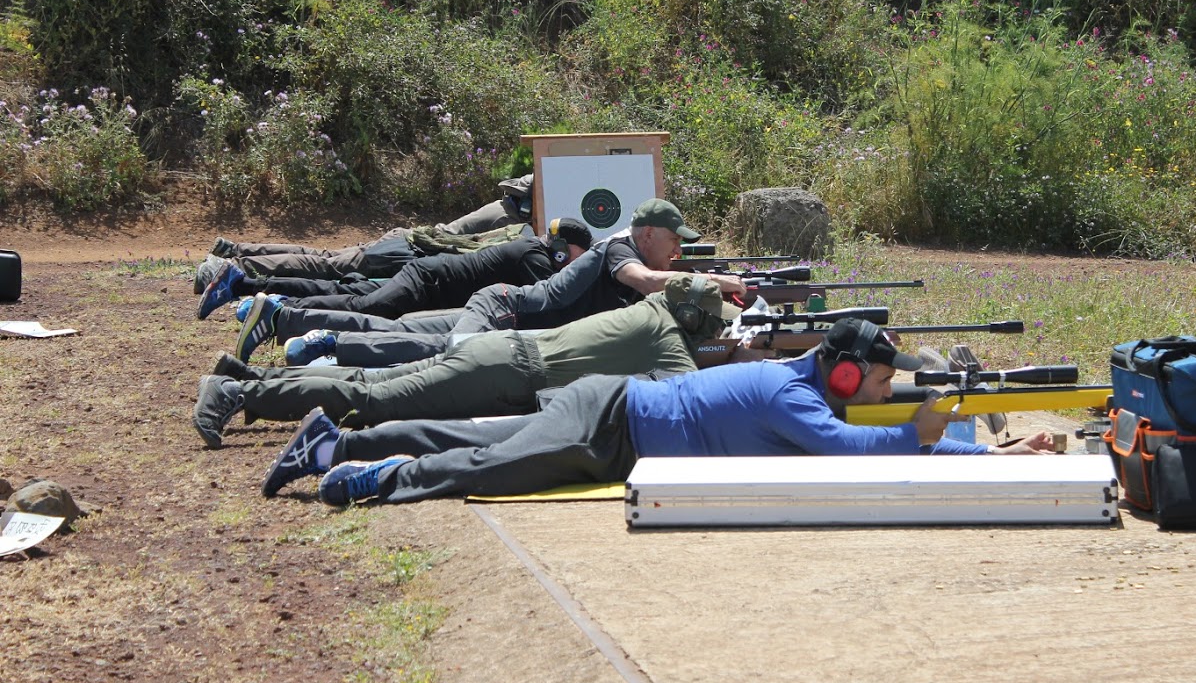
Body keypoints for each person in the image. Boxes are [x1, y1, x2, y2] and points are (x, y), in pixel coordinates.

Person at [253, 317, 1055, 503]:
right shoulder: (789, 393)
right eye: (879, 381)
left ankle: (334, 442)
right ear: (844, 372)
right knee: (493, 465)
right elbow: (855, 455)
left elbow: (868, 443)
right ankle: (374, 477)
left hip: (612, 411)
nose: (884, 392)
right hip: (613, 426)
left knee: (468, 435)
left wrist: (987, 454)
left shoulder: (804, 388)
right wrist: (922, 436)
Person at [194, 275, 740, 450]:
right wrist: (739, 359)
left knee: (366, 379)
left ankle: (250, 377)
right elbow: (691, 398)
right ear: (693, 319)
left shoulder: (652, 309)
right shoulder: (669, 338)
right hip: (502, 372)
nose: (712, 334)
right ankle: (237, 395)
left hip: (495, 354)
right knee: (371, 401)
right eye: (711, 326)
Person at [239, 198, 748, 366]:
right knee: (449, 357)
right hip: (505, 313)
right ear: (649, 233)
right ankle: (331, 350)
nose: (679, 251)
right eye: (674, 241)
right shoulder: (621, 249)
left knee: (405, 330)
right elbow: (648, 280)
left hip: (502, 310)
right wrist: (712, 282)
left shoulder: (637, 257)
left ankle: (284, 317)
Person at [195, 217, 594, 321]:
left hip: (427, 281)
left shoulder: (532, 251)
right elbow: (553, 300)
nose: (578, 262)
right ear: (562, 249)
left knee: (345, 291)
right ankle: (277, 310)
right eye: (578, 254)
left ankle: (243, 284)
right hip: (426, 282)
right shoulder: (534, 257)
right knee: (364, 309)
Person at [193, 174, 536, 288]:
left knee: (324, 258)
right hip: (405, 250)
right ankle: (233, 267)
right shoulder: (507, 220)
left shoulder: (502, 207)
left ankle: (236, 250)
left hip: (404, 242)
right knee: (323, 266)